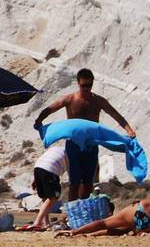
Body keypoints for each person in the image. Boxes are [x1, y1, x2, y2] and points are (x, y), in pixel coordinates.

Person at [33, 68, 136, 200]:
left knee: (88, 183)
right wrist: (39, 121)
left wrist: (129, 130)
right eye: (84, 86)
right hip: (74, 144)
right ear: (78, 83)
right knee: (74, 182)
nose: (87, 89)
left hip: (91, 145)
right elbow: (50, 109)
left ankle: (83, 211)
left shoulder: (98, 101)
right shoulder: (70, 99)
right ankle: (72, 214)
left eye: (89, 85)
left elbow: (116, 115)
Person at [22, 143, 67, 230]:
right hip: (50, 169)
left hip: (38, 168)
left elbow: (44, 161)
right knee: (53, 197)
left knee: (45, 197)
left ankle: (46, 223)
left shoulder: (57, 148)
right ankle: (37, 222)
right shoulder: (71, 154)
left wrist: (35, 179)